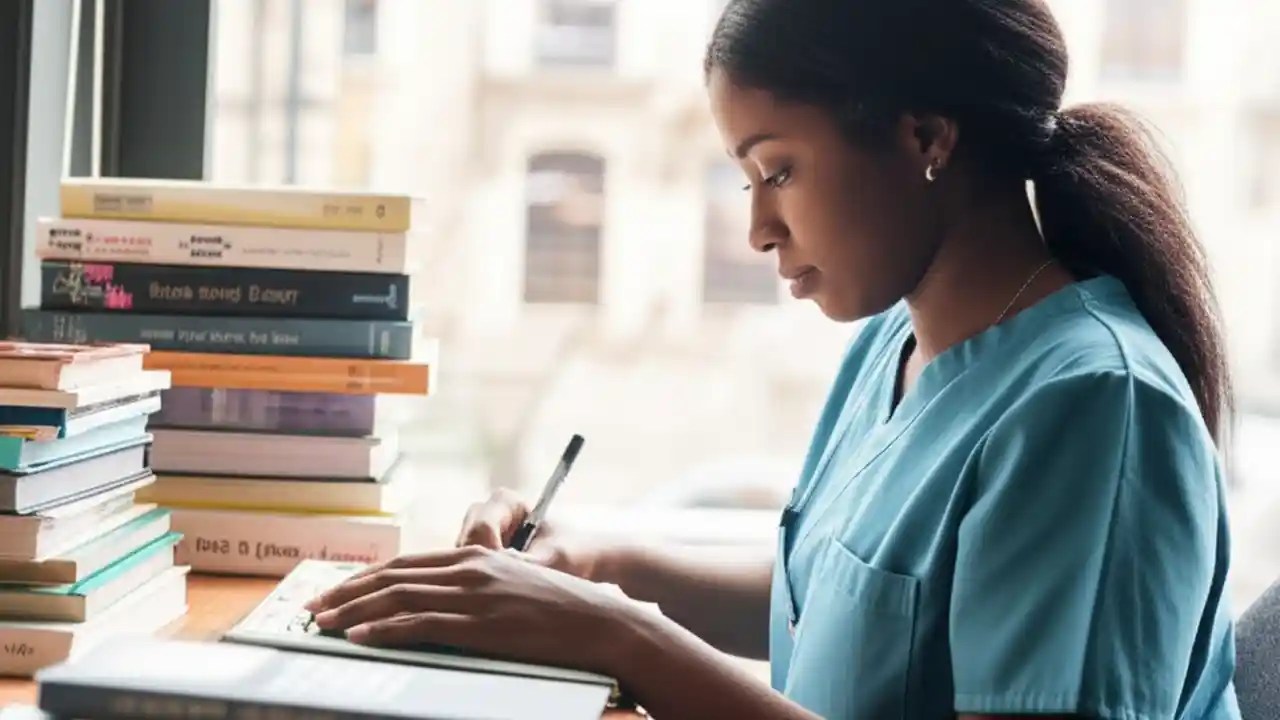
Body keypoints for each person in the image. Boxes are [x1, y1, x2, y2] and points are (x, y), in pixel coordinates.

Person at [304, 0, 1243, 717]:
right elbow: (846, 607)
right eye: (744, 179)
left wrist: (621, 638)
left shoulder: (1094, 410)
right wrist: (594, 566)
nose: (757, 228)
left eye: (778, 170)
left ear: (925, 136)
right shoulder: (896, 341)